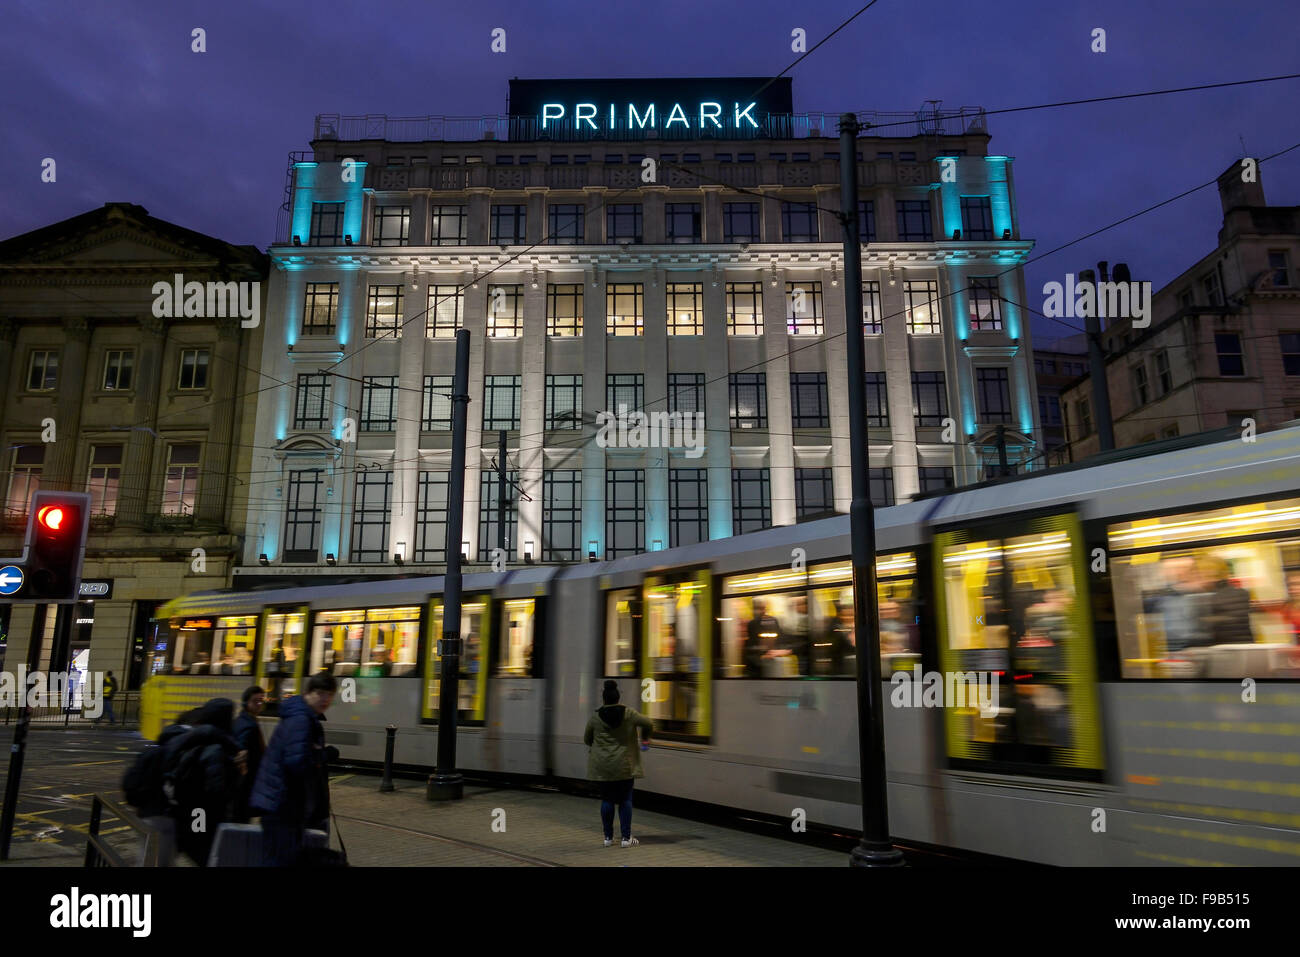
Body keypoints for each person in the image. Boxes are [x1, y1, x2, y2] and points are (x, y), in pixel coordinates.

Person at [250, 673, 338, 866]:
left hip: (281, 804)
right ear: (308, 693)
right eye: (320, 693)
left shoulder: (302, 716)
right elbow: (296, 762)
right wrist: (323, 756)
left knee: (278, 858)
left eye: (330, 694)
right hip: (283, 805)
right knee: (280, 860)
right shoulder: (301, 720)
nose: (325, 699)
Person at [162, 698, 245, 867]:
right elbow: (216, 790)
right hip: (204, 811)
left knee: (197, 846)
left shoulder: (196, 737)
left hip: (191, 809)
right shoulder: (216, 747)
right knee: (203, 850)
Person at [583, 680, 653, 848]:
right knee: (625, 800)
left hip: (603, 766)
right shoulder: (629, 714)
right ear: (618, 697)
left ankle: (608, 838)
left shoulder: (595, 716)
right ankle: (625, 838)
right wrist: (645, 740)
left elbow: (587, 739)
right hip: (624, 765)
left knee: (607, 800)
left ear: (604, 699)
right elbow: (648, 723)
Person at [1198, 556, 1253, 645]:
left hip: (1225, 648)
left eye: (1202, 573)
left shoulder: (1209, 598)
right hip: (1244, 646)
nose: (1201, 577)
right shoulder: (1242, 593)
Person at [231, 686, 267, 823]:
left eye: (261, 701)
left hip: (246, 780)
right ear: (246, 702)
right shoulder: (248, 724)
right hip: (247, 780)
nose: (259, 704)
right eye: (255, 701)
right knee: (241, 817)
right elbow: (241, 748)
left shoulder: (245, 719)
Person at [743, 600, 783, 677]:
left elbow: (779, 639)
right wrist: (760, 657)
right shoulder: (752, 623)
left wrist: (776, 652)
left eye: (764, 608)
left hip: (771, 660)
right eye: (760, 608)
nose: (763, 611)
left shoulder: (773, 620)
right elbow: (750, 645)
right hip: (756, 665)